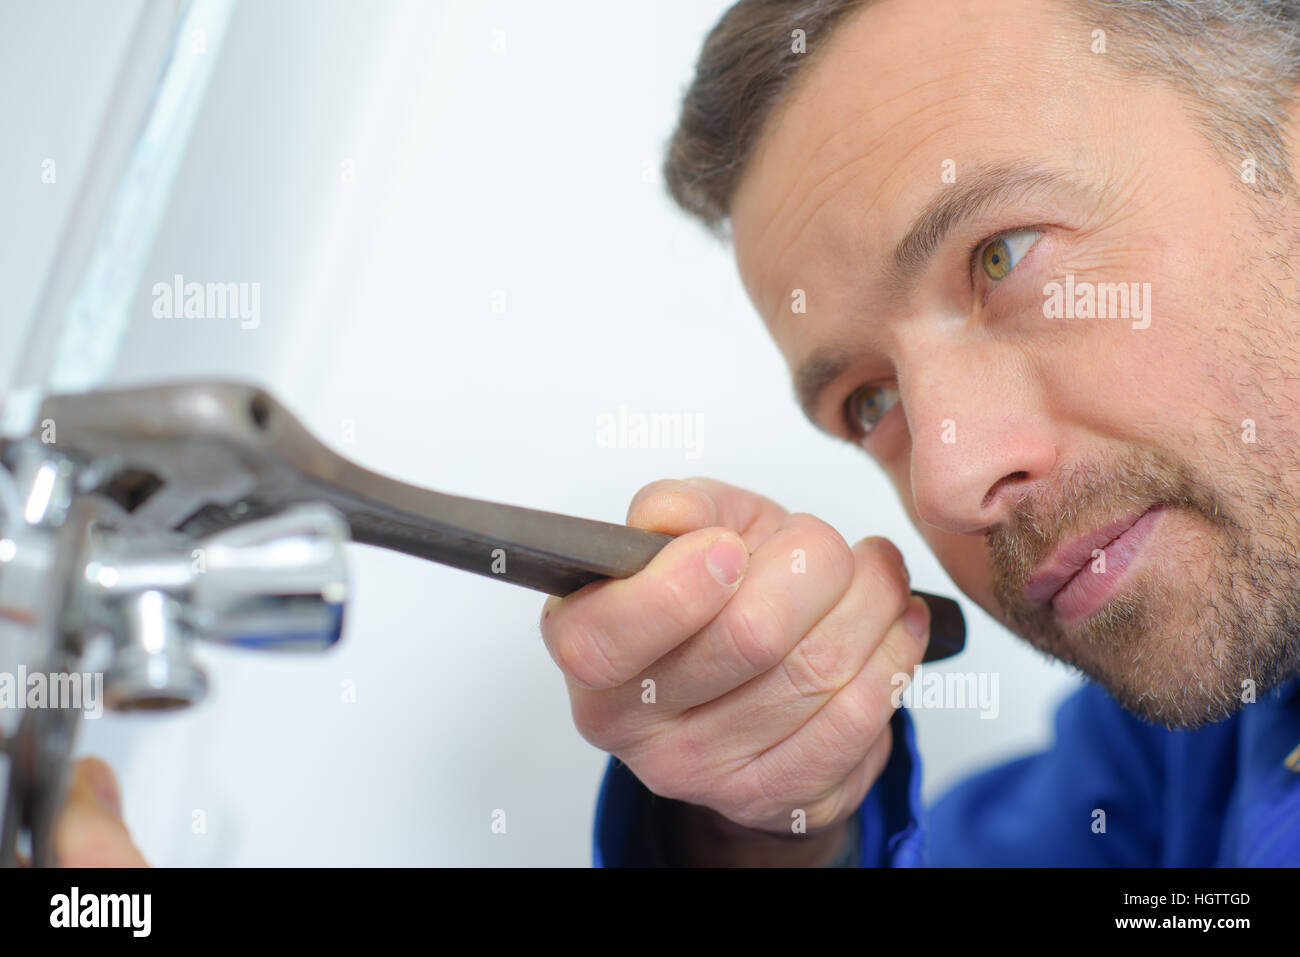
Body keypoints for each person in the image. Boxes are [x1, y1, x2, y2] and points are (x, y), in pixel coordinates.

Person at [539, 0, 1300, 865]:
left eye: (1002, 255)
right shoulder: (1183, 752)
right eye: (872, 402)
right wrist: (770, 819)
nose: (948, 480)